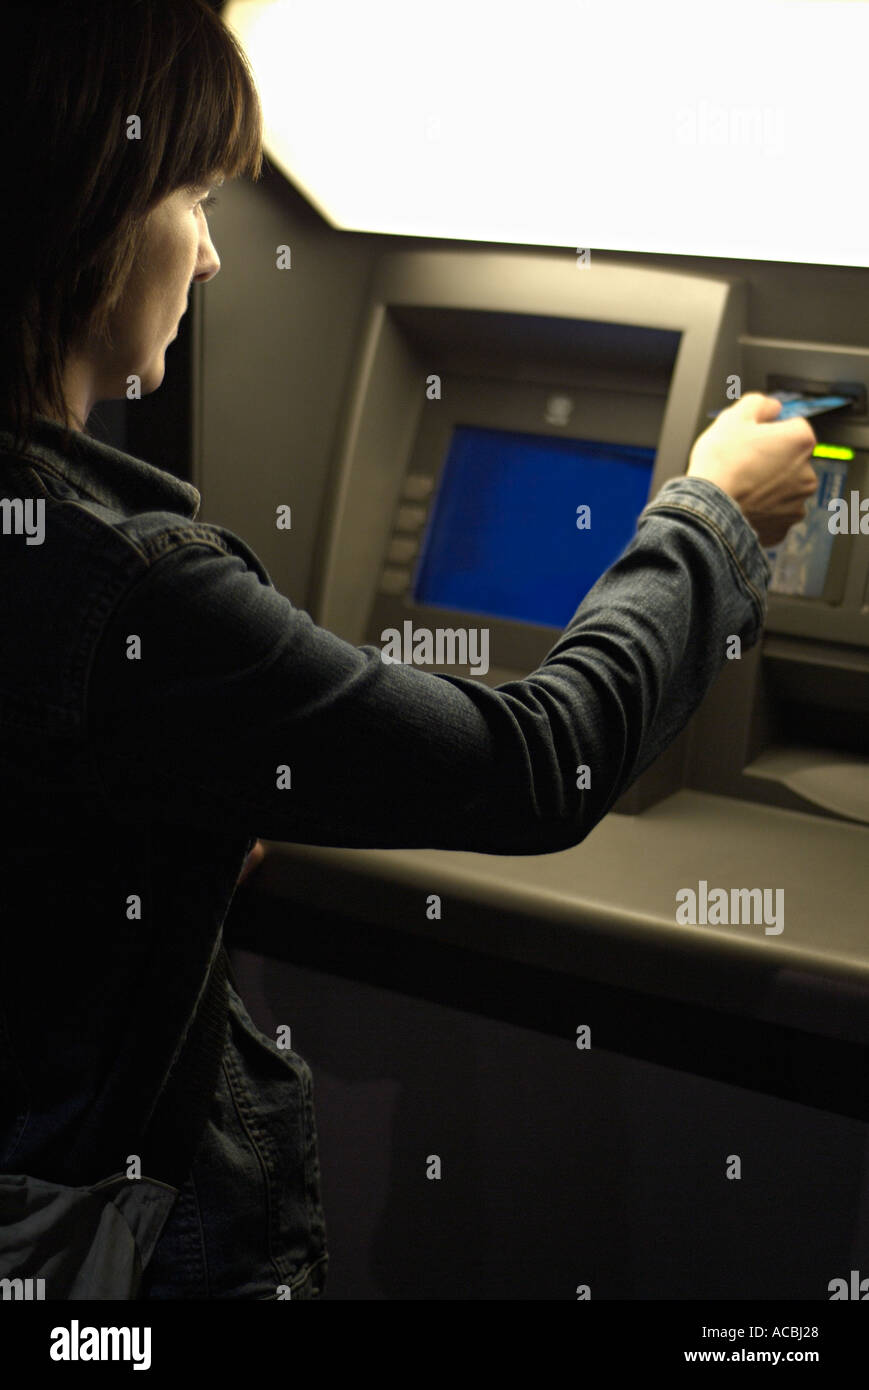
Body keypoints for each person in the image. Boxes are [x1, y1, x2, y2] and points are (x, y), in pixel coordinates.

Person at [0, 0, 818, 1300]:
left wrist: (171, 812)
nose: (211, 257)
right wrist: (714, 512)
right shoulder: (130, 590)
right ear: (91, 208)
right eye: (195, 198)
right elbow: (536, 760)